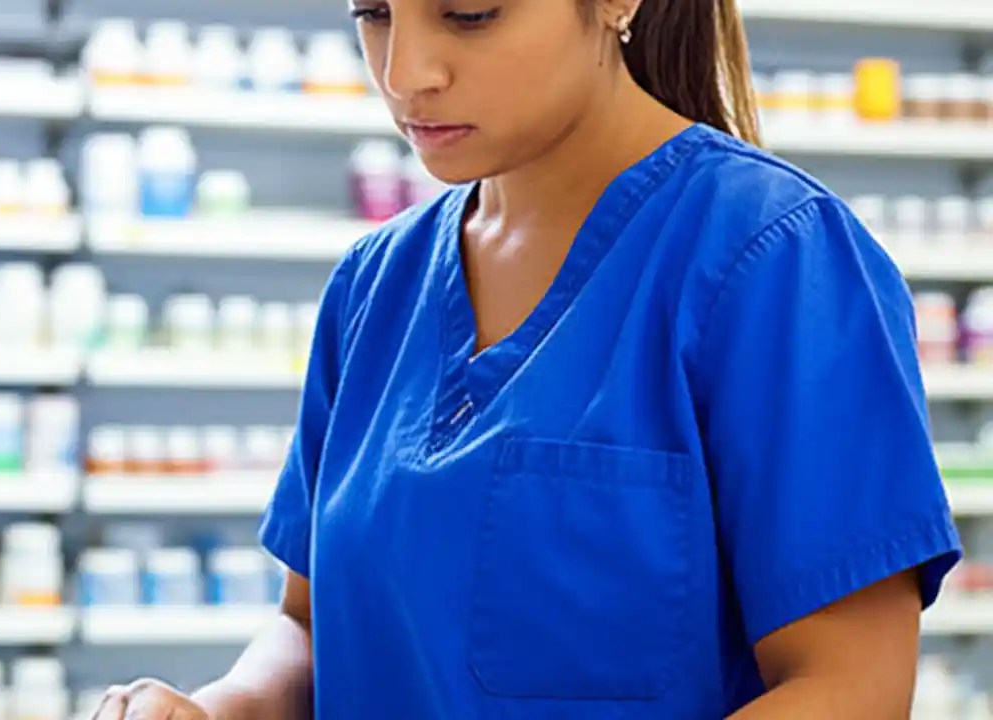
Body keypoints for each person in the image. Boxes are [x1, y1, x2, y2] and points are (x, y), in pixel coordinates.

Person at [96, 0, 962, 717]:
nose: (406, 73)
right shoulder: (372, 288)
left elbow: (850, 688)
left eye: (469, 15)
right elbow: (314, 630)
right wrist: (216, 708)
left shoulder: (771, 259)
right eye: (373, 14)